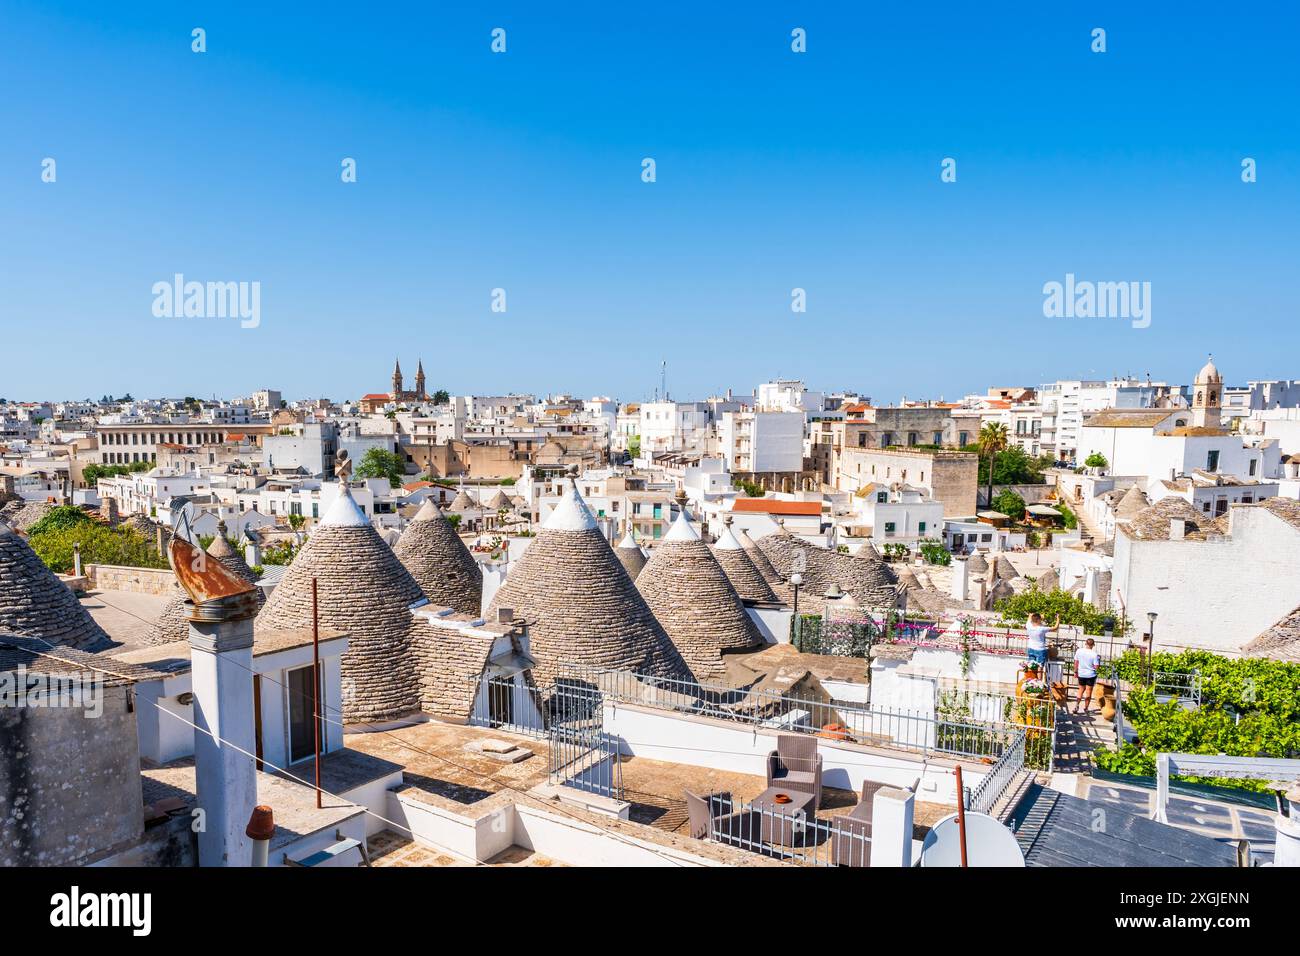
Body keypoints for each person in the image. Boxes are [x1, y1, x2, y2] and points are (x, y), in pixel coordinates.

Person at [1073, 638, 1102, 714]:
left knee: (1080, 690)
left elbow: (1076, 662)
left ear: (1085, 643)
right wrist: (1099, 659)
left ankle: (1076, 706)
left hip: (1081, 674)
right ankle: (1086, 708)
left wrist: (1075, 671)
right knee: (1088, 692)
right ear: (1093, 645)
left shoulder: (1079, 651)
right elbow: (1096, 667)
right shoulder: (1094, 654)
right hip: (1090, 675)